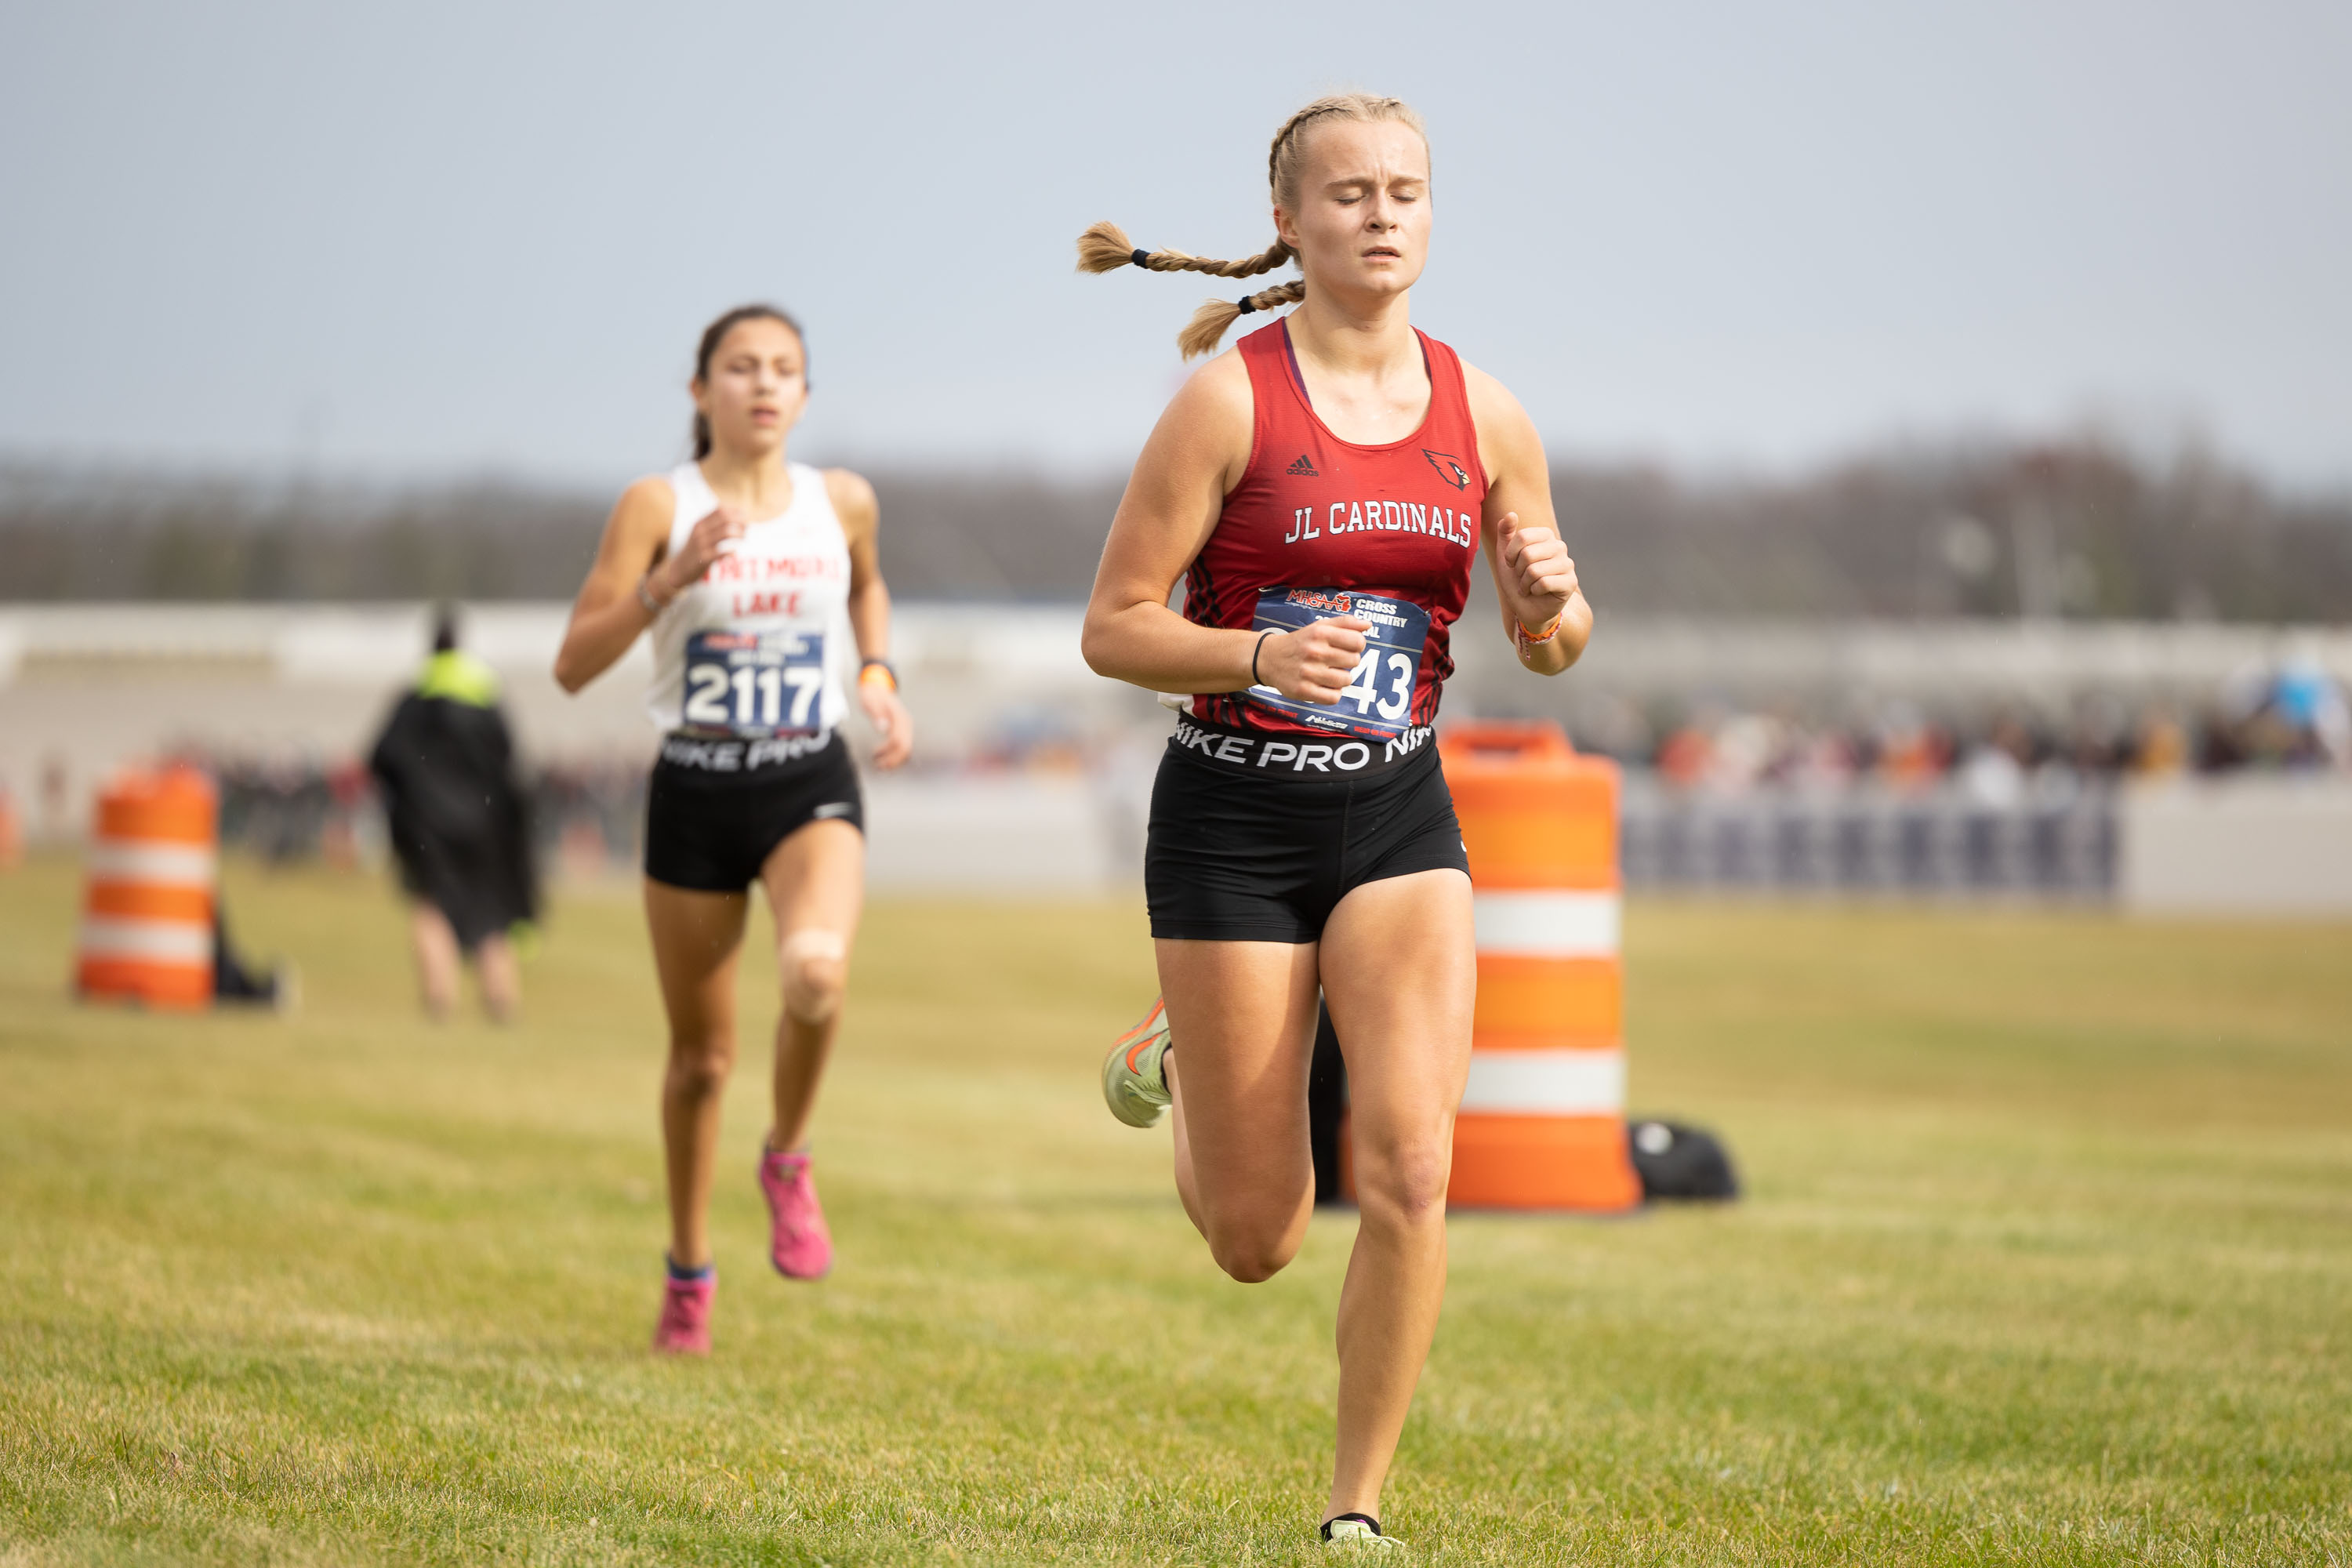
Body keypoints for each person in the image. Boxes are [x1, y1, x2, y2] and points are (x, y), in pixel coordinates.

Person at [1076, 93, 1591, 1548]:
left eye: (1408, 191)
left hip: (1395, 822)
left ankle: (1354, 1515)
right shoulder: (1228, 402)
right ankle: (1181, 1048)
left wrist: (1553, 608)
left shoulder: (1485, 410)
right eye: (1351, 192)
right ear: (1291, 223)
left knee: (1415, 1167)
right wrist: (1251, 653)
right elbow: (1113, 630)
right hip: (1233, 823)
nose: (1383, 213)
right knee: (1257, 1240)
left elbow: (1553, 640)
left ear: (1432, 217)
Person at [553, 304, 912, 1357]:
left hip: (808, 774)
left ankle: (788, 1157)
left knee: (816, 973)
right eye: (741, 367)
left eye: (785, 370)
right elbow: (573, 665)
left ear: (804, 394)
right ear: (700, 390)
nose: (763, 385)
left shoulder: (839, 499)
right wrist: (666, 583)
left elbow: (871, 582)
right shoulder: (656, 504)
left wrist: (879, 674)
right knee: (702, 1062)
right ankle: (687, 1269)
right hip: (696, 788)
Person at [368, 606, 538, 1022]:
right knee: (490, 910)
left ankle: (439, 1000)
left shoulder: (415, 693)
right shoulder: (485, 692)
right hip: (485, 822)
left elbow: (380, 757)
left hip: (427, 823)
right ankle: (500, 999)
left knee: (432, 906)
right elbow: (511, 761)